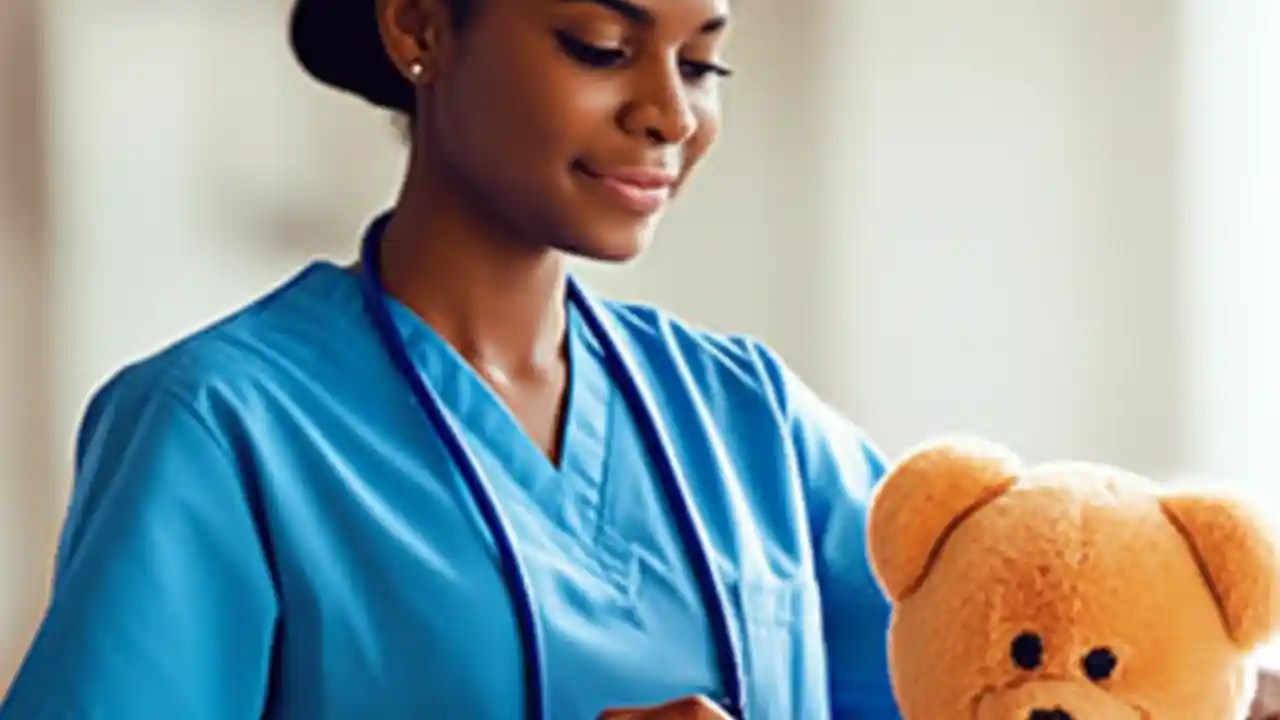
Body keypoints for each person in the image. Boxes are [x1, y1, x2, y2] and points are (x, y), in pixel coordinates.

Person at [0, 0, 900, 718]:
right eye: (599, 46)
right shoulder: (222, 426)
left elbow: (1001, 676)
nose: (669, 114)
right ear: (419, 28)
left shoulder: (751, 417)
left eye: (702, 64)